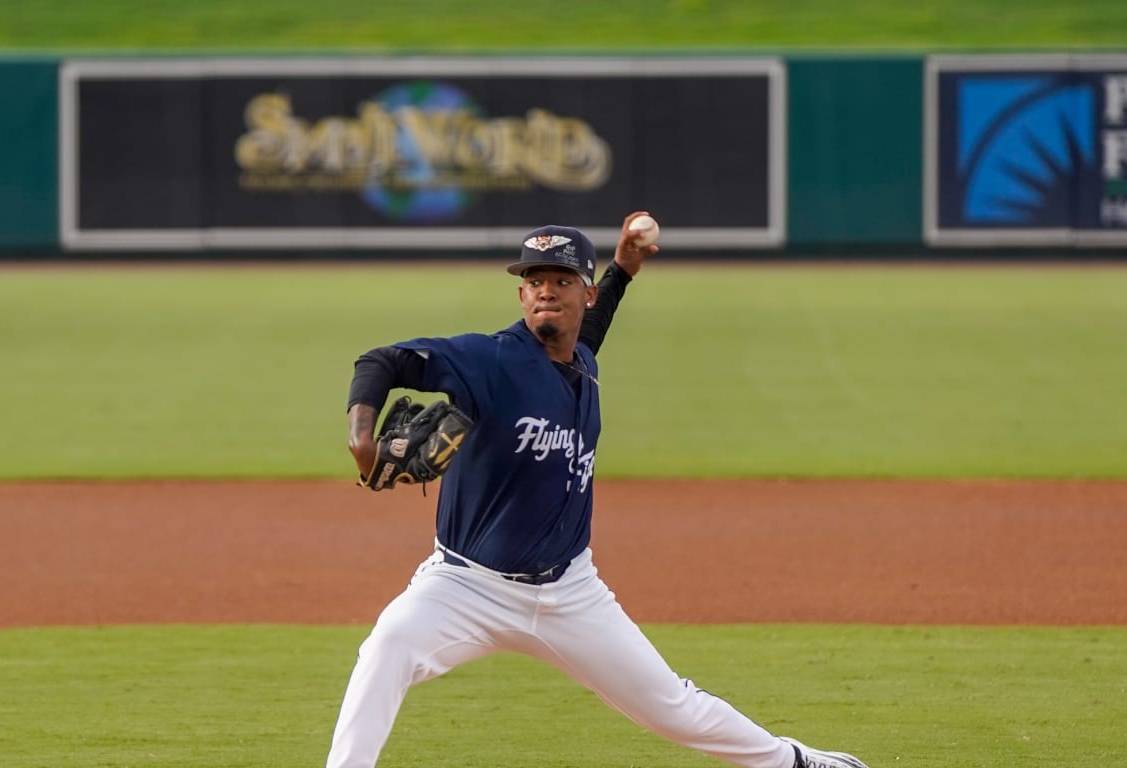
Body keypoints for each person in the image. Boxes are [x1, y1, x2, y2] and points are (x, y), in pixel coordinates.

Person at [331, 211, 871, 768]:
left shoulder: (580, 360)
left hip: (570, 592)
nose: (547, 291)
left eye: (562, 281)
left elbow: (592, 329)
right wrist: (361, 437)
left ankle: (794, 761)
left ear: (585, 294)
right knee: (387, 647)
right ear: (521, 295)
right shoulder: (490, 360)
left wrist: (625, 269)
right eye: (535, 281)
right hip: (465, 586)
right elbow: (382, 361)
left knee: (672, 707)